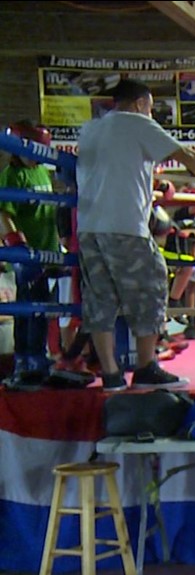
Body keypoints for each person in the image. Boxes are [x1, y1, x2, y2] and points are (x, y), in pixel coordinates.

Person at [75, 78, 195, 392]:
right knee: (153, 286)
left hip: (88, 227)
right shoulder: (138, 124)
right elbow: (188, 158)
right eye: (151, 108)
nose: (151, 114)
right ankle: (145, 366)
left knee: (100, 299)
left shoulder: (91, 129)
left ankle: (111, 375)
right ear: (140, 103)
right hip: (124, 227)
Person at [0, 121, 62, 389]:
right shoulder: (11, 175)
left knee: (43, 308)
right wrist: (17, 246)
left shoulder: (41, 173)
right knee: (29, 306)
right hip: (28, 251)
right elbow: (3, 212)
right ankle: (26, 361)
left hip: (49, 248)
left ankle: (37, 358)